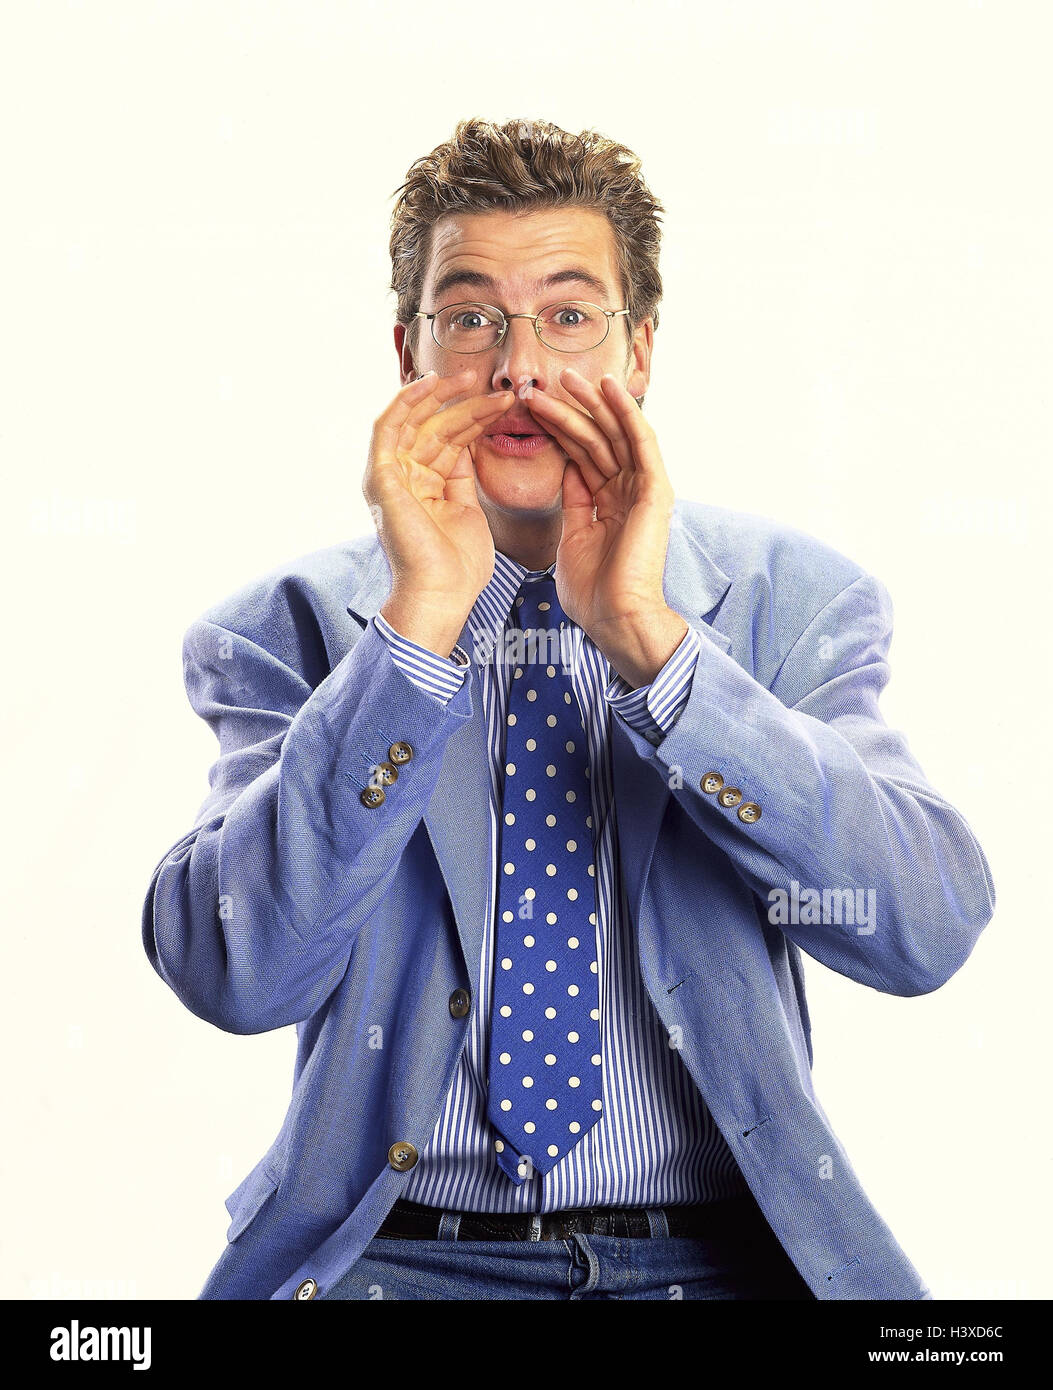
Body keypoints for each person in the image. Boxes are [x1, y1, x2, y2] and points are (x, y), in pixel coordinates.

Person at [142, 116, 995, 1301]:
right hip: (395, 1263)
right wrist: (416, 633)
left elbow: (923, 928)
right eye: (473, 315)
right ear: (409, 352)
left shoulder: (791, 604)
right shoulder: (282, 626)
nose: (518, 369)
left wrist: (655, 646)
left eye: (569, 315)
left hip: (720, 1263)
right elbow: (238, 971)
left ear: (640, 350)